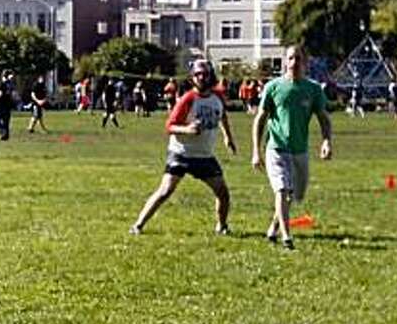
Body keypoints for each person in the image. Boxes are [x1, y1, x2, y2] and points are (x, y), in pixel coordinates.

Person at [129, 59, 236, 236]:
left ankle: (222, 226)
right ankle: (138, 225)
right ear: (192, 77)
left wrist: (228, 137)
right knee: (164, 191)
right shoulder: (188, 99)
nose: (201, 77)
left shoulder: (217, 97)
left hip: (204, 156)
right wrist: (187, 129)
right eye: (197, 74)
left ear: (210, 76)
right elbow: (169, 126)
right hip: (181, 153)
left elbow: (223, 116)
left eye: (205, 74)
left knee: (223, 193)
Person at [251, 45, 333, 250]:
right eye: (290, 58)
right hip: (276, 148)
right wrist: (256, 151)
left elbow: (323, 118)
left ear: (305, 63)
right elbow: (260, 119)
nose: (294, 62)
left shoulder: (313, 89)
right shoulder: (273, 87)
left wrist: (326, 141)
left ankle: (273, 227)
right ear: (285, 61)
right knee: (282, 189)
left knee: (295, 195)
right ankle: (287, 237)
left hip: (300, 151)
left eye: (298, 58)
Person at [0, 70, 16, 140]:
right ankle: (6, 135)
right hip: (8, 105)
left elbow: (0, 94)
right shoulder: (10, 84)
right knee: (6, 121)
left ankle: (2, 131)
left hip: (1, 104)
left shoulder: (2, 84)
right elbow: (13, 94)